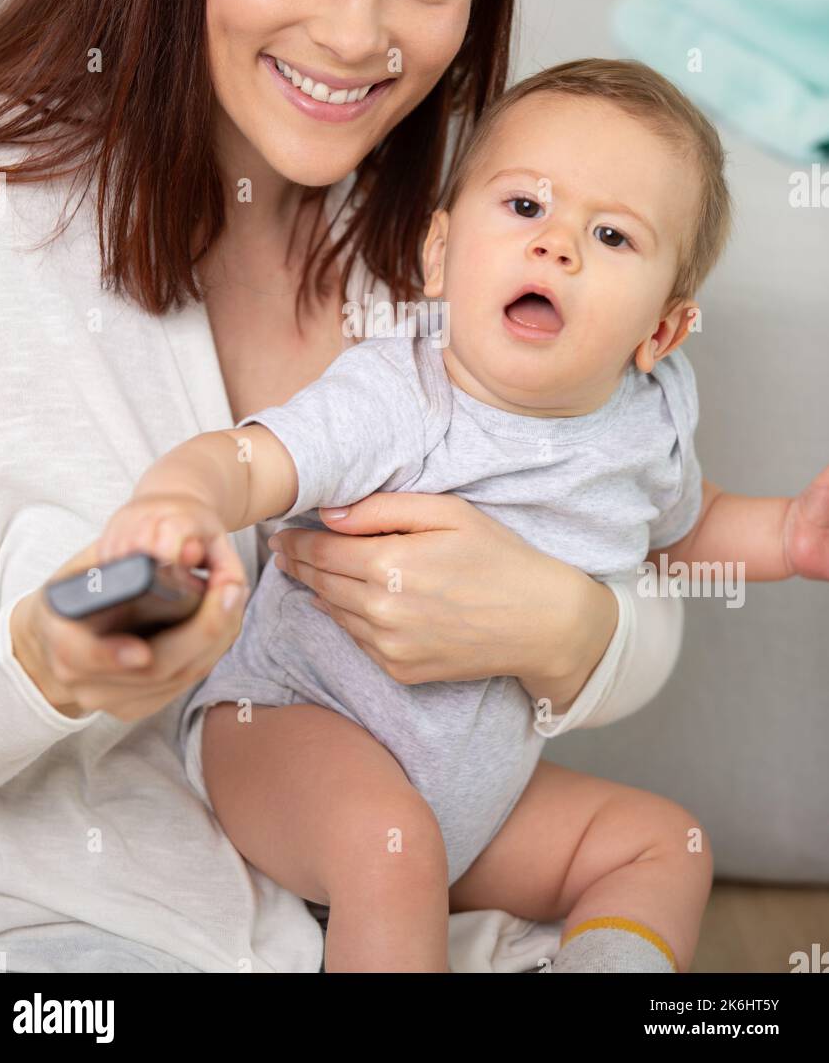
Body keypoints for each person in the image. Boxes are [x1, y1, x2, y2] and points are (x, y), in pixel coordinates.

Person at [0, 0, 695, 973]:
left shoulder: (483, 239)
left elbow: (635, 528)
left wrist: (562, 627)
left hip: (397, 901)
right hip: (67, 927)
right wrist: (46, 674)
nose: (356, 38)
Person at [93, 57, 829, 973]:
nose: (556, 246)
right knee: (388, 850)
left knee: (661, 844)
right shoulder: (403, 388)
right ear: (440, 254)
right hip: (284, 731)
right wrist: (184, 496)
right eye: (525, 208)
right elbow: (260, 459)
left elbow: (681, 529)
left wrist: (790, 534)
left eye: (610, 235)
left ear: (662, 333)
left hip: (471, 796)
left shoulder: (650, 418)